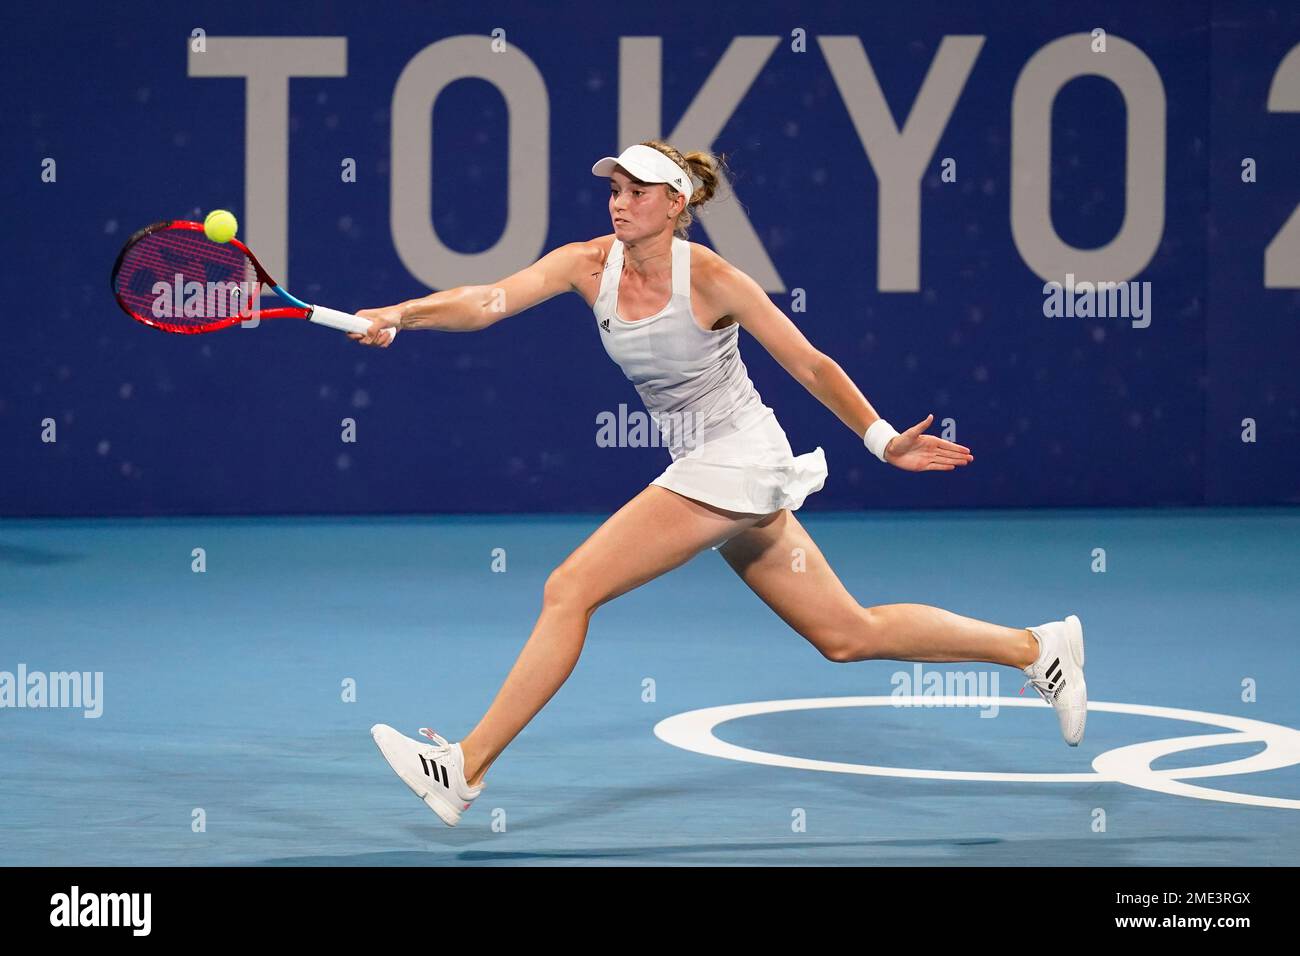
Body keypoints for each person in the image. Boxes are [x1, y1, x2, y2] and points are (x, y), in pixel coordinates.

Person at [357, 142, 1087, 826]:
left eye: (637, 192)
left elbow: (810, 364)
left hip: (737, 458)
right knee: (845, 634)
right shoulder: (586, 264)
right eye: (614, 190)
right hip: (714, 466)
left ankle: (464, 768)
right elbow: (487, 302)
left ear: (676, 203)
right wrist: (400, 314)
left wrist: (882, 439)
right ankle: (1036, 648)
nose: (619, 203)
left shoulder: (712, 279)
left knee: (569, 588)